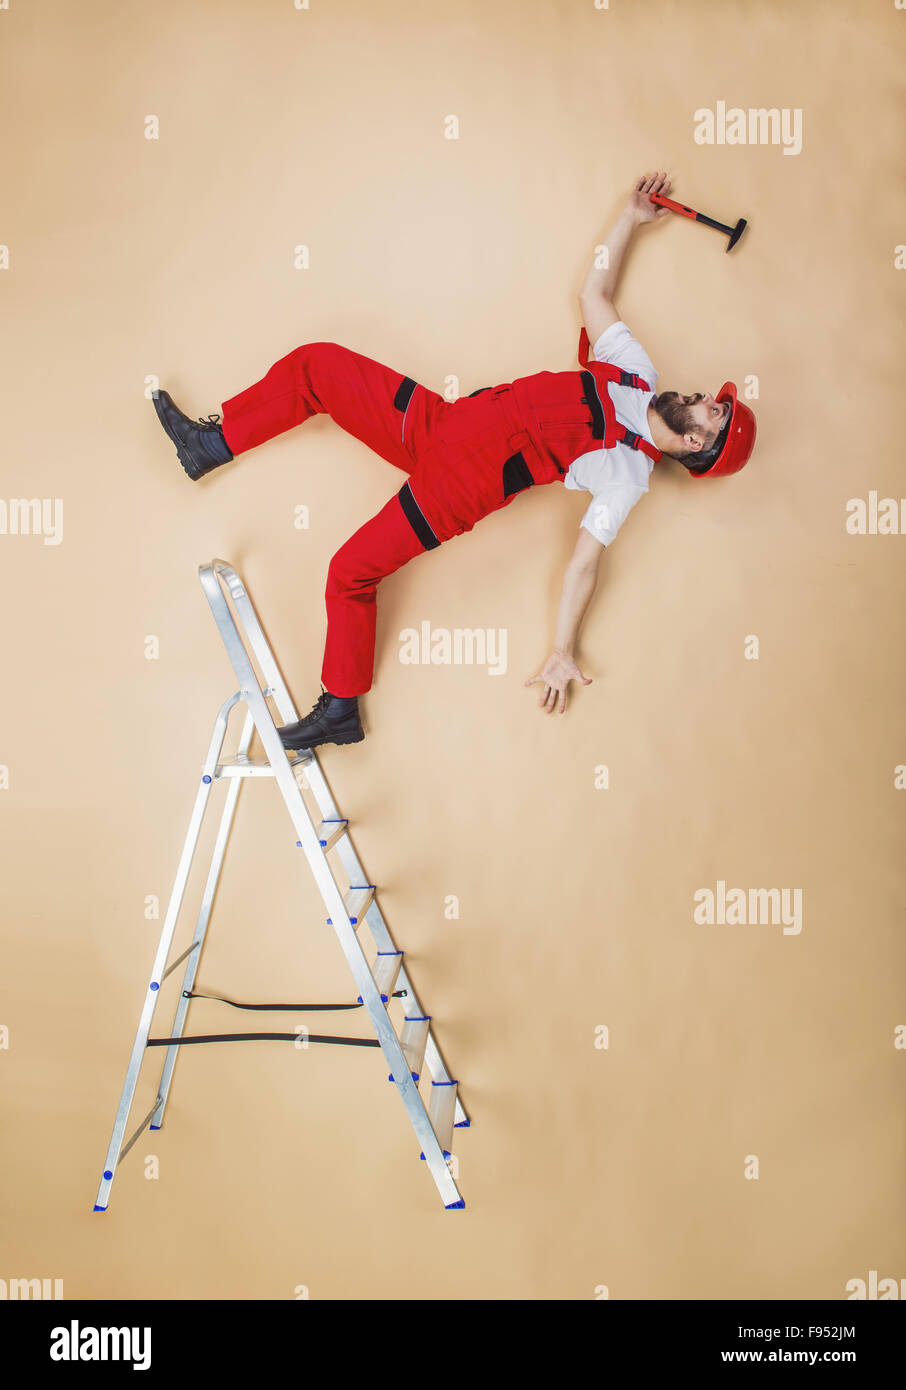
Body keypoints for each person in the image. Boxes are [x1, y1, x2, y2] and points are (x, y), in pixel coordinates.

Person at [151, 172, 756, 749]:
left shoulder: (630, 474)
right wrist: (630, 217)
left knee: (348, 573)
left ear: (699, 445)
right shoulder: (635, 372)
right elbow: (594, 293)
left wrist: (563, 648)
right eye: (713, 400)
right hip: (440, 421)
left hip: (457, 488)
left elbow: (584, 566)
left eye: (715, 414)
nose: (706, 399)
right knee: (317, 365)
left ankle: (340, 707)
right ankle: (209, 445)